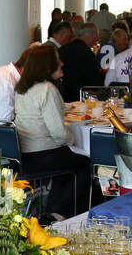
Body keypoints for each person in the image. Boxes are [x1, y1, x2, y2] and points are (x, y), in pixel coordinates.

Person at [12, 44, 90, 219]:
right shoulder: (47, 89)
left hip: (24, 153)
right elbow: (59, 133)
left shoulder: (22, 88)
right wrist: (73, 140)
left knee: (68, 159)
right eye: (58, 60)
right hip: (42, 154)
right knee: (83, 163)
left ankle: (56, 211)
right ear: (47, 65)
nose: (62, 63)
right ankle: (61, 214)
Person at [57, 22, 104, 101]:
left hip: (63, 96)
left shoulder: (62, 49)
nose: (96, 40)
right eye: (97, 37)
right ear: (93, 36)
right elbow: (95, 81)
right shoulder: (87, 53)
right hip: (82, 97)